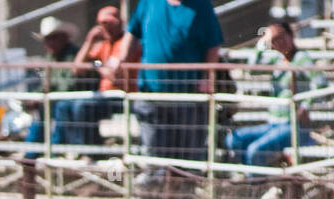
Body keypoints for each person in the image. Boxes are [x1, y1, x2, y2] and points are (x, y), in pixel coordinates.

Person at [104, 0, 224, 172]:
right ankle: (156, 193)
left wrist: (207, 77)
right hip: (151, 92)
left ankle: (183, 195)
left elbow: (213, 43)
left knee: (187, 154)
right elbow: (133, 31)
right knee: (154, 152)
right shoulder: (149, 3)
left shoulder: (201, 5)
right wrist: (120, 59)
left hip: (189, 96)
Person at [225, 20, 323, 167]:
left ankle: (255, 184)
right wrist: (261, 44)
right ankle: (257, 174)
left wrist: (304, 106)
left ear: (291, 35)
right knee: (234, 140)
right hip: (273, 124)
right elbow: (251, 69)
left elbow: (321, 83)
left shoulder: (301, 59)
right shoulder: (275, 59)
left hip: (293, 126)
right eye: (274, 39)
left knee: (255, 150)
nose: (279, 42)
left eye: (282, 36)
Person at [54, 7, 131, 149]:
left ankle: (91, 150)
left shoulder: (126, 43)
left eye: (110, 24)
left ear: (119, 23)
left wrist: (96, 65)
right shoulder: (103, 45)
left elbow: (113, 74)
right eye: (103, 24)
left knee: (82, 106)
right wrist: (89, 41)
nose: (107, 28)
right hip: (105, 96)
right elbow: (77, 68)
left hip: (122, 95)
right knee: (63, 105)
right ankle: (72, 148)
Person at [21, 18, 88, 153]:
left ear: (64, 38)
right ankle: (30, 154)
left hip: (71, 102)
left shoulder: (74, 55)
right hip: (55, 102)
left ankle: (54, 149)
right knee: (41, 113)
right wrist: (36, 97)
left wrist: (45, 94)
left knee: (59, 108)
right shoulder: (50, 58)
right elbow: (46, 84)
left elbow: (69, 85)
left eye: (53, 38)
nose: (49, 43)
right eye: (47, 39)